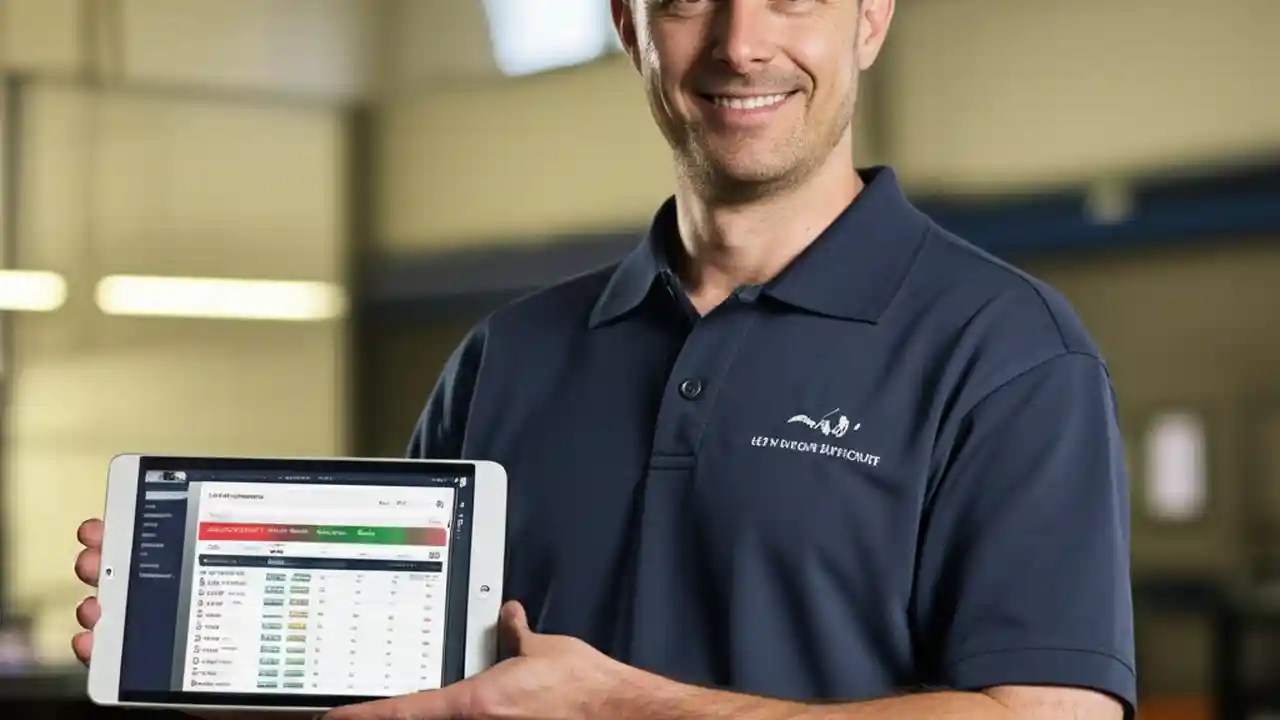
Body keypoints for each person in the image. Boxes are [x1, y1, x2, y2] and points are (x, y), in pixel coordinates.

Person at [72, 0, 1136, 717]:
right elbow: (417, 684)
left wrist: (618, 703)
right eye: (686, 0)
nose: (739, 44)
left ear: (869, 17)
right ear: (629, 25)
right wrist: (223, 649)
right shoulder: (506, 356)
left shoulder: (1005, 353)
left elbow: (1044, 713)